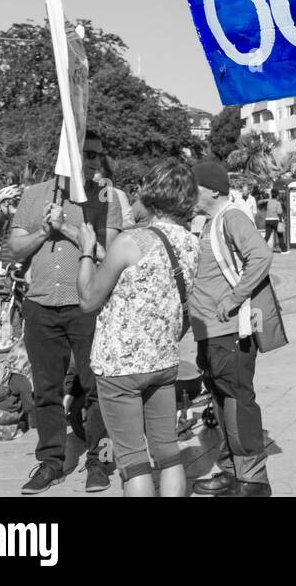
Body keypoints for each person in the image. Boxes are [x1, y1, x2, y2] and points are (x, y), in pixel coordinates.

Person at [3, 129, 121, 494]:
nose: (92, 161)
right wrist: (43, 231)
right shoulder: (35, 195)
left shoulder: (106, 197)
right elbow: (15, 248)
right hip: (40, 305)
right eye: (85, 154)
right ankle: (50, 462)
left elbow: (110, 255)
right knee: (46, 389)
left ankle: (98, 461)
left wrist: (67, 228)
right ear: (65, 154)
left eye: (96, 155)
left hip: (86, 303)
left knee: (96, 385)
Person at [76, 160, 198, 497]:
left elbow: (88, 298)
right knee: (169, 454)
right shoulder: (190, 242)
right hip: (163, 360)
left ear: (151, 195)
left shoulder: (131, 241)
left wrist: (87, 254)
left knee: (134, 462)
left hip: (121, 367)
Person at [190, 159, 277, 497]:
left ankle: (254, 480)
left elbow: (261, 256)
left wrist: (233, 298)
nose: (189, 193)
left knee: (239, 402)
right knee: (221, 402)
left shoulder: (232, 217)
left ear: (213, 189)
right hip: (209, 332)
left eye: (194, 186)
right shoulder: (210, 223)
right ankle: (230, 472)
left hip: (229, 331)